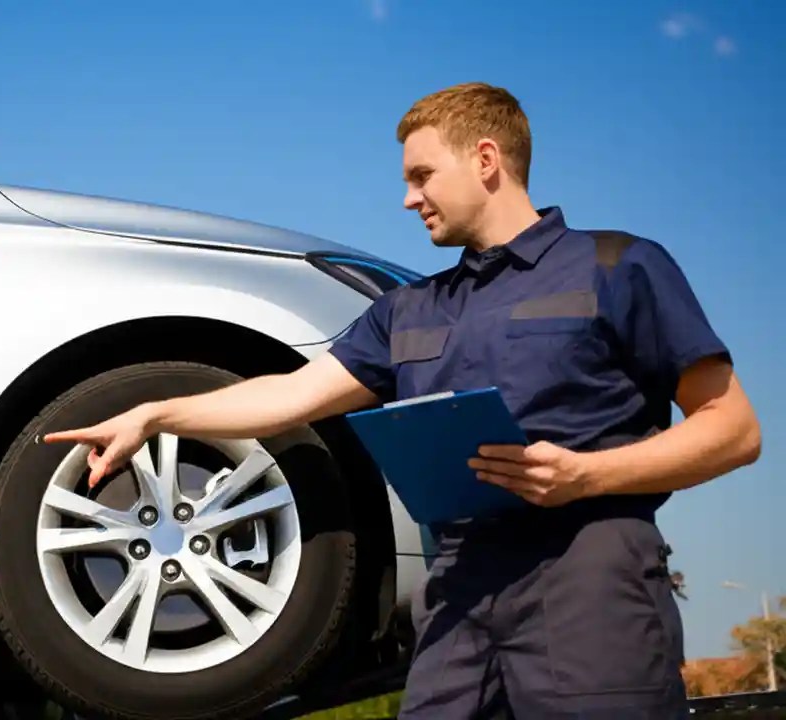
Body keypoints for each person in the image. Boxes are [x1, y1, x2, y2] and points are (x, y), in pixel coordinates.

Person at [43, 82, 761, 718]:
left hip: (590, 574)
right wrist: (156, 415)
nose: (408, 197)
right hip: (458, 587)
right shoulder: (409, 309)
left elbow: (733, 429)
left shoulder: (618, 266)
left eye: (422, 175)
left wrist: (584, 475)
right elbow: (292, 396)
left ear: (486, 160)